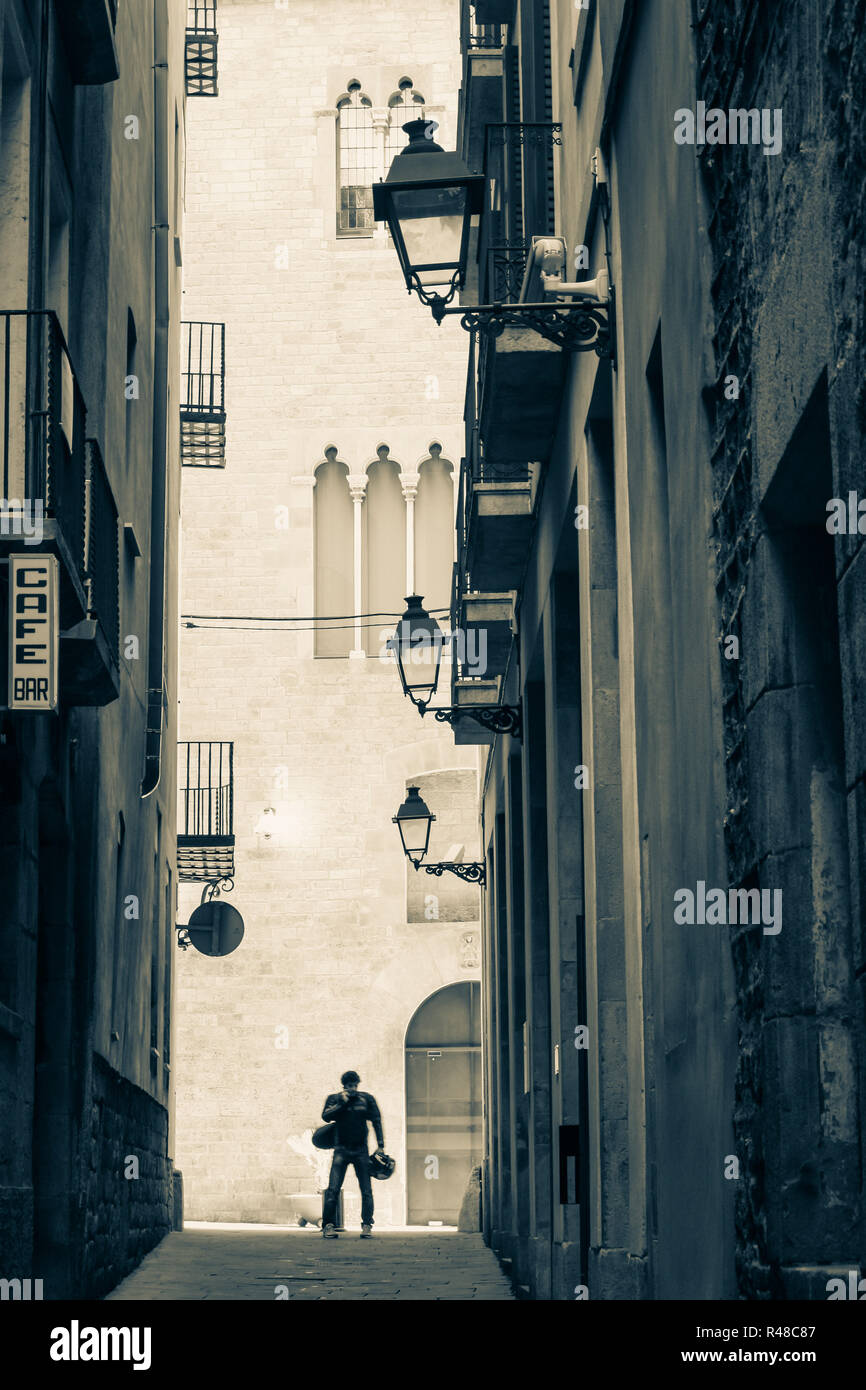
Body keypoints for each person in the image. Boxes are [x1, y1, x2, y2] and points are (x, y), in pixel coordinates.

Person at [320, 1070, 385, 1238]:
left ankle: (367, 1225)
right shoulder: (335, 1099)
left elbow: (376, 1121)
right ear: (344, 1086)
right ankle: (328, 1225)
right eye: (349, 1086)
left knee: (366, 1189)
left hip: (361, 1150)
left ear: (358, 1084)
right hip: (341, 1149)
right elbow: (326, 1117)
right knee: (333, 1188)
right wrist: (341, 1104)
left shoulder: (367, 1099)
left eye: (355, 1085)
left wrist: (380, 1146)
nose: (353, 1089)